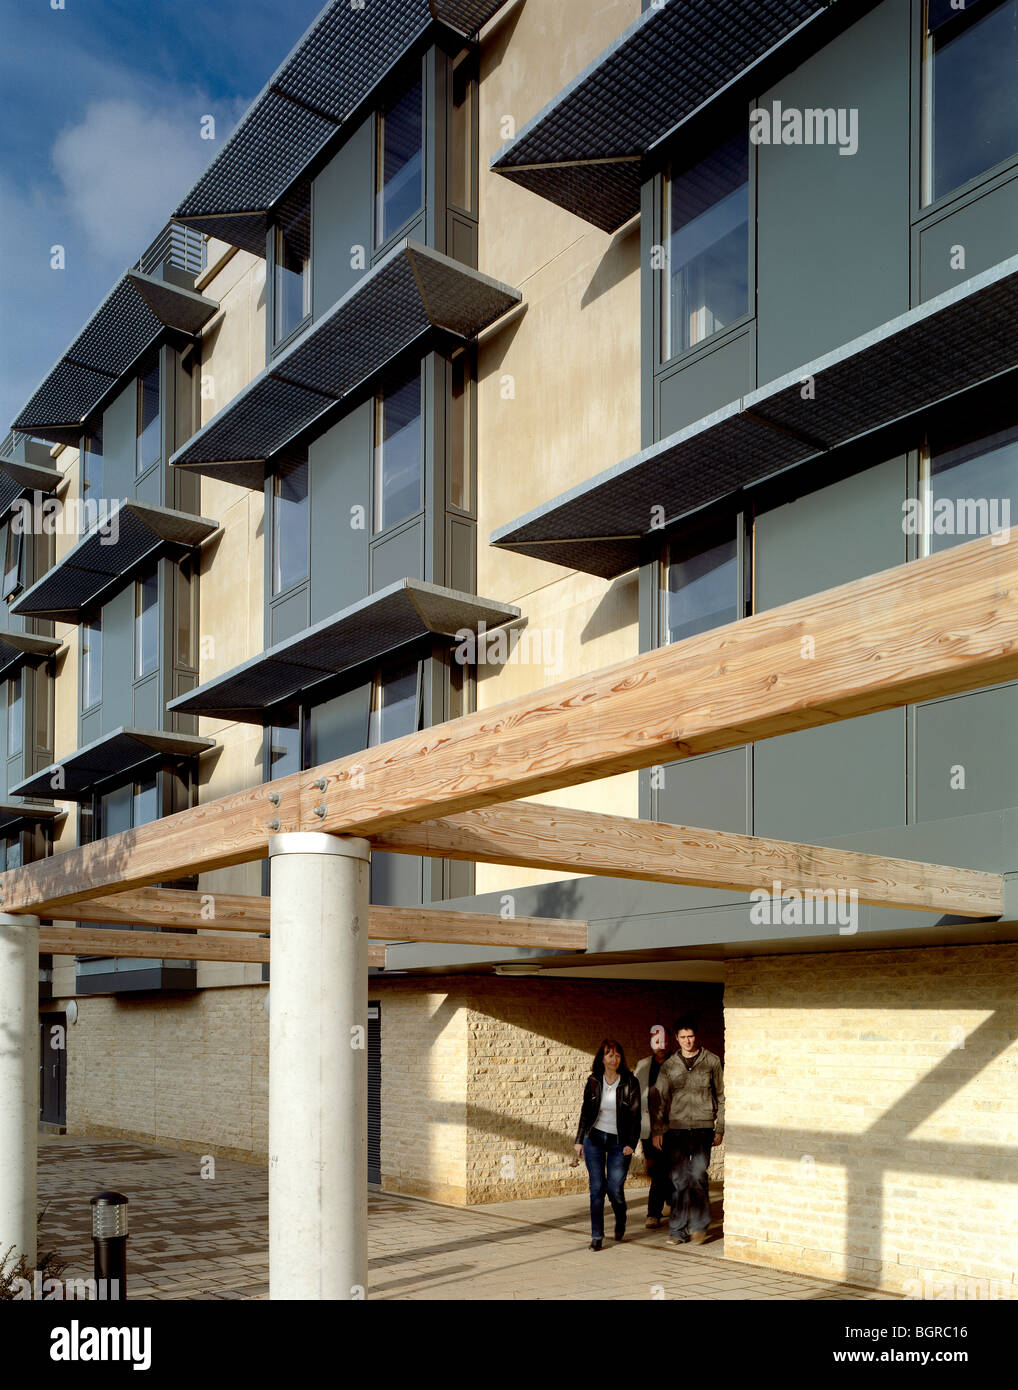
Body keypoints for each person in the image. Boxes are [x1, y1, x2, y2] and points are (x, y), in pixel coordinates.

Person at [651, 1016, 724, 1247]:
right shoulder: (669, 1066)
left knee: (698, 1175)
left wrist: (720, 1126)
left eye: (690, 1036)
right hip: (678, 1131)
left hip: (703, 1129)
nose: (687, 1041)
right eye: (682, 1037)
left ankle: (700, 1227)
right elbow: (659, 1100)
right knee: (679, 1180)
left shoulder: (712, 1061)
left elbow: (722, 1096)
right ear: (677, 1038)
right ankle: (677, 1230)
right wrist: (658, 1130)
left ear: (696, 1036)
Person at [573, 1038, 642, 1251]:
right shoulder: (594, 1081)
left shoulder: (630, 1082)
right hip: (594, 1138)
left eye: (618, 1055)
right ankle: (597, 1236)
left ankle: (620, 1217)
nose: (614, 1059)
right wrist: (578, 1141)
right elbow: (586, 1112)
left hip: (619, 1142)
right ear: (602, 1058)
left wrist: (631, 1143)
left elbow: (635, 1117)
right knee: (596, 1188)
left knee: (614, 1188)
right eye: (610, 1055)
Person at [633, 1024, 673, 1228]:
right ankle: (667, 1203)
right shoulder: (642, 1066)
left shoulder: (678, 1063)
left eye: (664, 1040)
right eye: (657, 1041)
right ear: (651, 1042)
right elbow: (635, 1098)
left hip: (672, 1127)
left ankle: (654, 1212)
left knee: (665, 1169)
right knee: (655, 1169)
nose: (661, 1045)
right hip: (648, 1128)